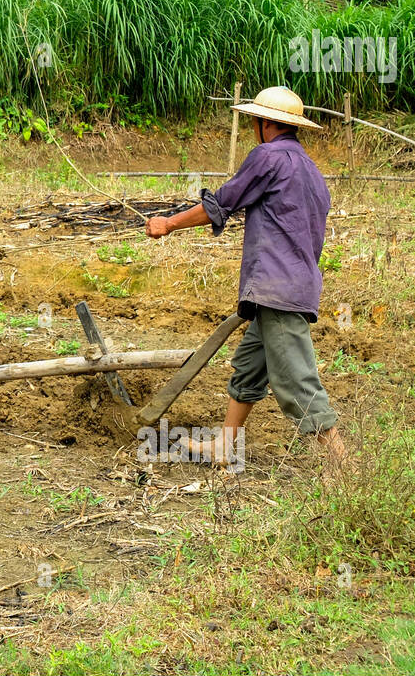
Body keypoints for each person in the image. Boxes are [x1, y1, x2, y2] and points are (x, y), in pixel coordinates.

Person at [144, 86, 346, 473]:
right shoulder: (312, 171)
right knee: (251, 364)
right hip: (297, 285)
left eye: (256, 120)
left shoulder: (268, 156)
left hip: (277, 290)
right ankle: (225, 444)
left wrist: (167, 223)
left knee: (296, 381)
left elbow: (221, 204)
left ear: (264, 123)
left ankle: (347, 470)